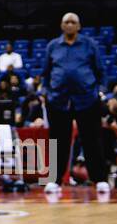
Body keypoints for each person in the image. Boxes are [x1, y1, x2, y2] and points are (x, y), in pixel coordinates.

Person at [41, 13, 107, 195]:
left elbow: (100, 70)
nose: (69, 25)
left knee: (92, 140)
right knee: (58, 141)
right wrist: (47, 92)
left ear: (79, 26)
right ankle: (54, 180)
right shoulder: (53, 46)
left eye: (73, 22)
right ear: (62, 26)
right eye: (66, 22)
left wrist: (99, 91)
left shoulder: (89, 45)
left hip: (87, 99)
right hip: (59, 101)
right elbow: (46, 73)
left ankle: (100, 179)